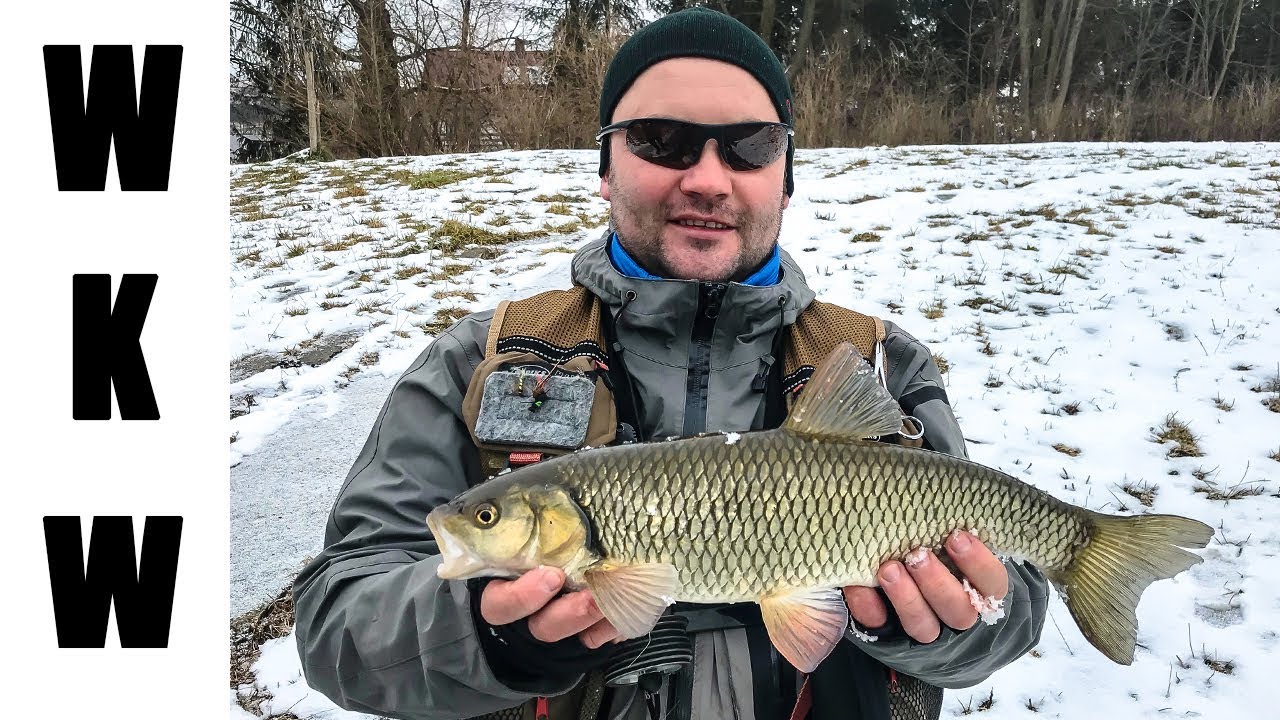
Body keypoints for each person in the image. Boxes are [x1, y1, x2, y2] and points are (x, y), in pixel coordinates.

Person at [292, 8, 1049, 720]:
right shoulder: (479, 361)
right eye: (661, 139)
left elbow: (1010, 603)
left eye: (749, 145)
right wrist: (489, 637)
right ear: (605, 168)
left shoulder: (879, 365)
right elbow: (337, 621)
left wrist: (948, 628)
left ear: (784, 178)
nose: (709, 179)